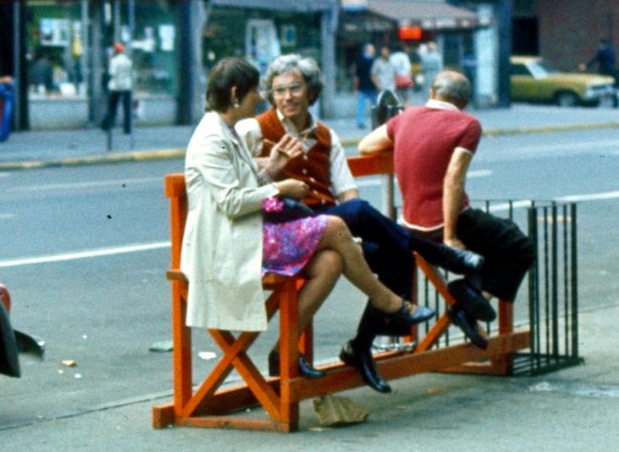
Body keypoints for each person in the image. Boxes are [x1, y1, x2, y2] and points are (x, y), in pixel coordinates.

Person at [181, 58, 435, 393]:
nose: (261, 98)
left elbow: (242, 184)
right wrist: (280, 187)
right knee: (334, 227)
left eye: (291, 88)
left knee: (331, 260)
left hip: (251, 233)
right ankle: (387, 301)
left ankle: (283, 352)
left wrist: (271, 169)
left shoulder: (225, 130)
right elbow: (230, 202)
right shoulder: (212, 138)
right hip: (230, 243)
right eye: (258, 90)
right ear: (234, 93)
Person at [238, 55, 482, 379]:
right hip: (282, 230)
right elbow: (232, 178)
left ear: (310, 90)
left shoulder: (326, 135)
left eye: (295, 87)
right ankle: (438, 254)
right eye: (279, 90)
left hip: (328, 227)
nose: (287, 97)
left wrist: (354, 238)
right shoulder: (253, 129)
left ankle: (361, 347)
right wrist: (271, 169)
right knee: (359, 212)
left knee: (396, 251)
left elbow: (346, 191)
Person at [358, 70, 535, 350]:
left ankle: (465, 304)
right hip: (443, 225)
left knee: (494, 238)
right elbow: (454, 179)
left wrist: (407, 143)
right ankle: (468, 300)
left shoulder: (405, 117)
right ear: (464, 101)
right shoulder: (467, 124)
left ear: (432, 92)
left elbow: (365, 145)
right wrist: (451, 236)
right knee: (520, 246)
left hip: (409, 226)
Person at [102, 42, 134, 134]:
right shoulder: (128, 61)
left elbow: (112, 73)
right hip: (127, 86)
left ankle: (109, 125)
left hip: (116, 86)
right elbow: (131, 74)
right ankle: (127, 128)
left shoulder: (114, 61)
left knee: (112, 106)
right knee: (127, 108)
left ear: (115, 51)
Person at [354, 43, 377, 129]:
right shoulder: (373, 61)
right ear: (368, 50)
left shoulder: (360, 60)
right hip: (371, 86)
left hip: (362, 86)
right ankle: (376, 120)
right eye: (372, 49)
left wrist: (356, 87)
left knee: (361, 105)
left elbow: (357, 75)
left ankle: (360, 122)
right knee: (374, 105)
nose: (374, 50)